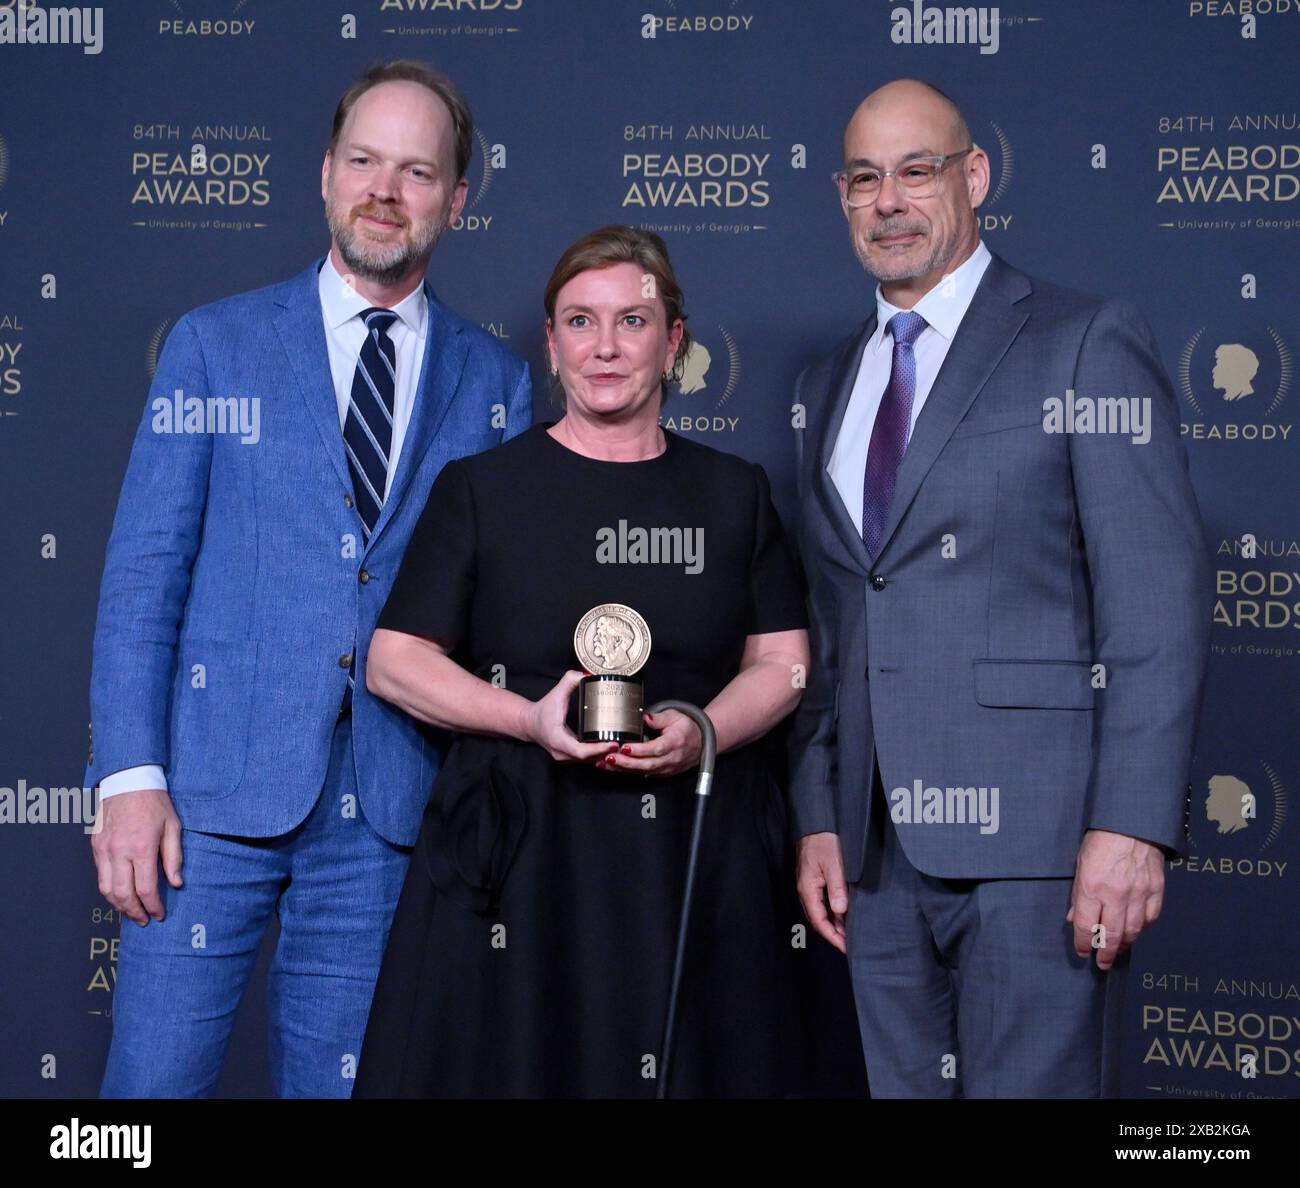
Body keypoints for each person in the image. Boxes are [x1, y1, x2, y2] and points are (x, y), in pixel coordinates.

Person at [86, 60, 532, 1097]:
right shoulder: (213, 347)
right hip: (204, 802)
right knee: (147, 1095)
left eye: (418, 171)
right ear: (325, 175)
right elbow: (144, 573)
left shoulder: (497, 378)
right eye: (365, 161)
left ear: (456, 200)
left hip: (386, 814)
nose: (386, 190)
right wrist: (130, 780)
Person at [789, 79, 1211, 1098]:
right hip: (874, 857)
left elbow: (1154, 602)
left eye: (916, 171)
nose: (888, 199)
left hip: (1042, 849)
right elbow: (835, 618)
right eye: (863, 178)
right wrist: (817, 814)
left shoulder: (1083, 339)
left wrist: (1132, 826)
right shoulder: (826, 381)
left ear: (973, 177)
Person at [353, 224, 811, 1098]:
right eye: (580, 322)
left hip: (691, 852)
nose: (605, 347)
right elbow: (394, 662)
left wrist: (706, 727)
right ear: (552, 344)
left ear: (674, 341)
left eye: (632, 322)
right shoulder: (481, 490)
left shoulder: (734, 491)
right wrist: (525, 719)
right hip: (525, 855)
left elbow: (784, 661)